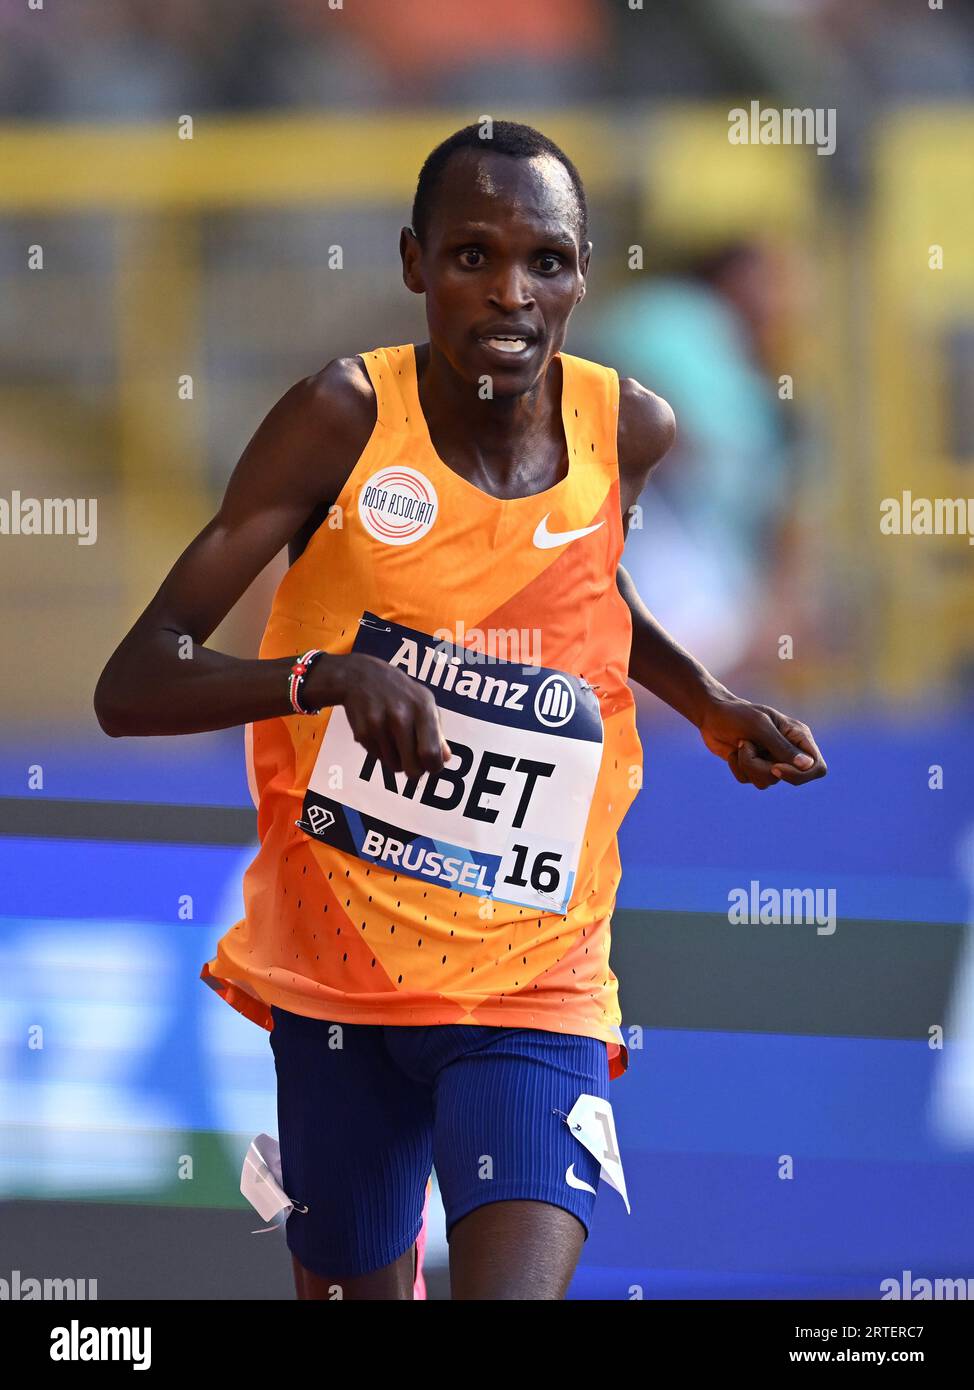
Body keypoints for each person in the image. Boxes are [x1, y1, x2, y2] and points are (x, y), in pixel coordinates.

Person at [94, 120, 827, 1301]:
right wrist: (320, 676)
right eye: (470, 255)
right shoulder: (339, 418)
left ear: (584, 273)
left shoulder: (624, 427)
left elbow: (586, 588)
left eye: (545, 260)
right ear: (411, 263)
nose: (510, 293)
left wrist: (706, 701)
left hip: (535, 976)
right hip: (338, 983)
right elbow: (133, 683)